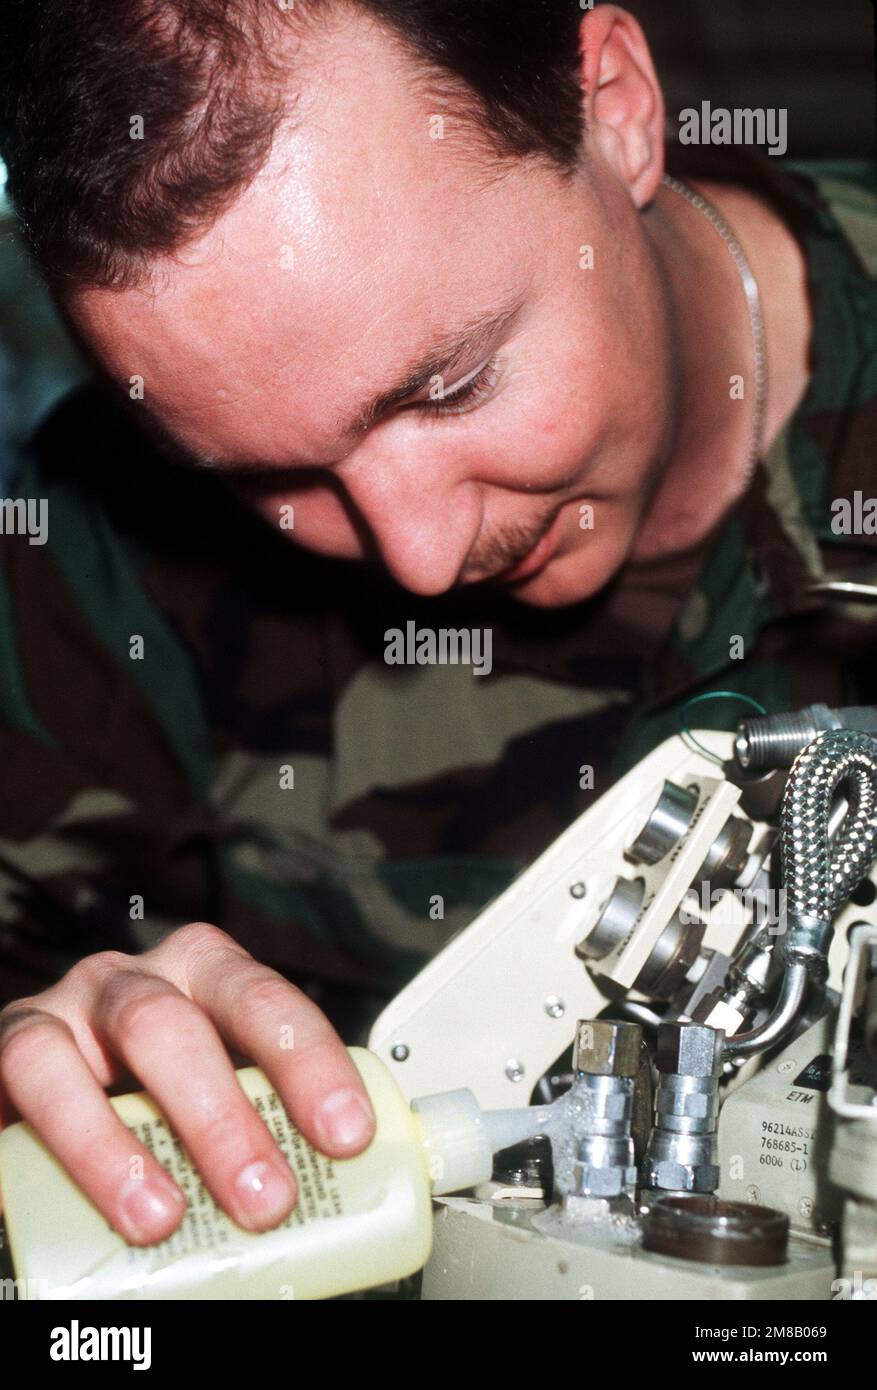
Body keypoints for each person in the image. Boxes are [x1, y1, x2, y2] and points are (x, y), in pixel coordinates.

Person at [0, 1, 873, 1248]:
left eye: (451, 383)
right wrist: (46, 1058)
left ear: (613, 108)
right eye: (262, 479)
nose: (417, 558)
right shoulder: (104, 528)